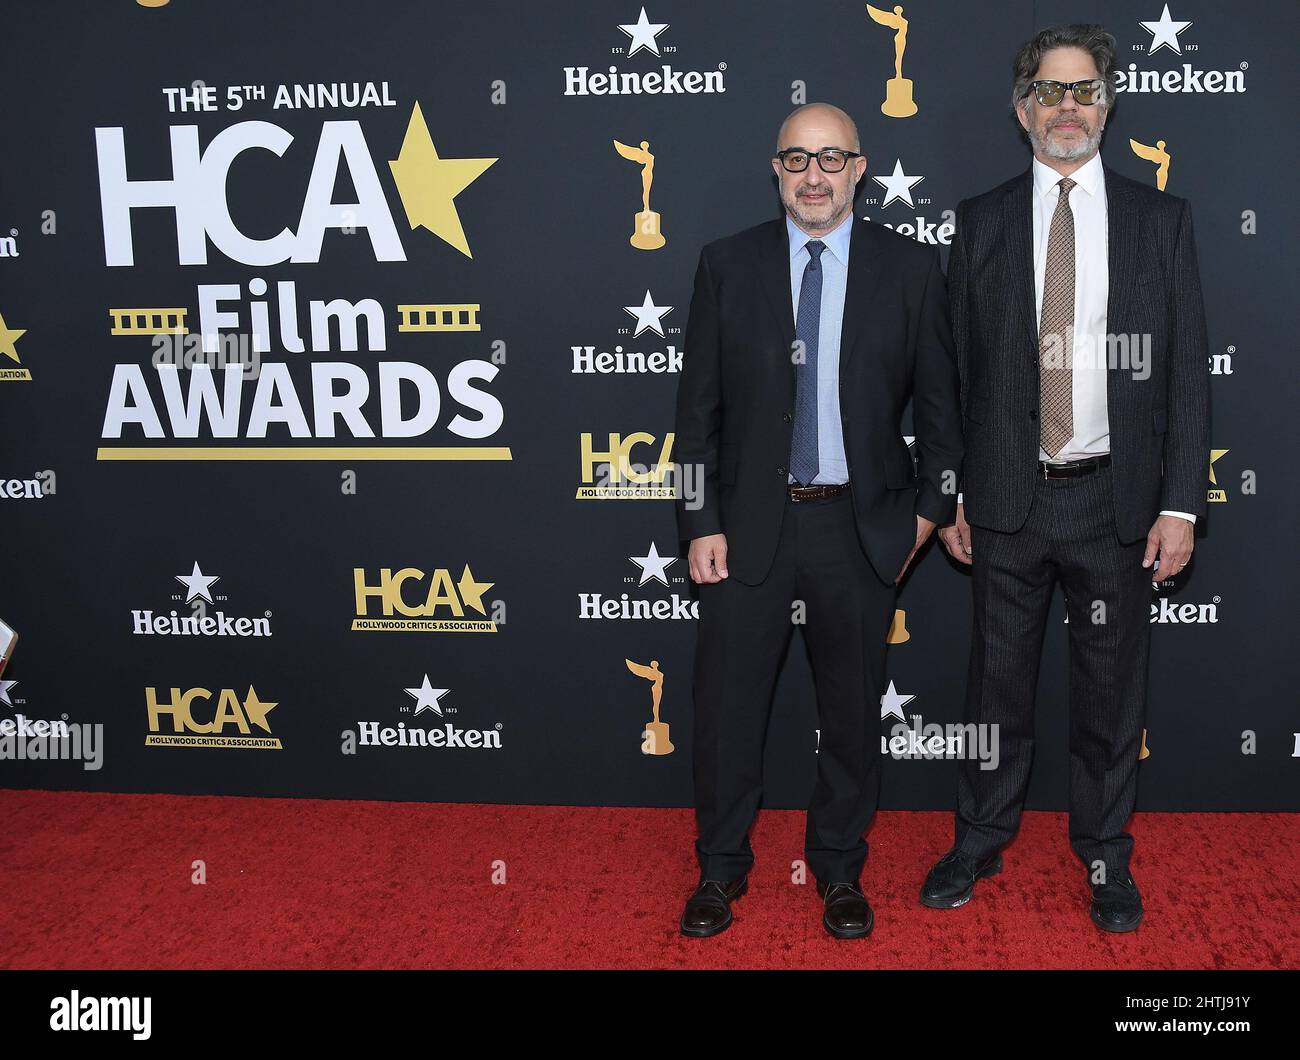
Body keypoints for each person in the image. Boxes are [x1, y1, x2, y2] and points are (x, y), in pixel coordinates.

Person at [921, 24, 1209, 932]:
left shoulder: (1161, 221)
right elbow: (953, 371)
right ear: (1023, 110)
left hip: (1114, 500)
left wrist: (1179, 504)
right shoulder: (982, 220)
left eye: (1085, 90)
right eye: (1051, 92)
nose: (1069, 107)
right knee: (993, 688)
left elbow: (1187, 371)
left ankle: (1106, 855)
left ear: (1108, 105)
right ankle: (978, 835)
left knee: (1110, 693)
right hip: (1007, 498)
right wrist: (955, 488)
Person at [673, 102, 962, 938]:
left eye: (831, 158)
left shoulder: (910, 272)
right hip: (747, 530)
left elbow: (943, 414)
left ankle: (839, 870)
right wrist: (699, 521)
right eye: (797, 159)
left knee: (850, 715)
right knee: (728, 716)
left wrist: (927, 516)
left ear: (860, 169)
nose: (814, 175)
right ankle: (720, 872)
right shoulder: (726, 266)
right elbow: (696, 416)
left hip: (859, 531)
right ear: (776, 170)